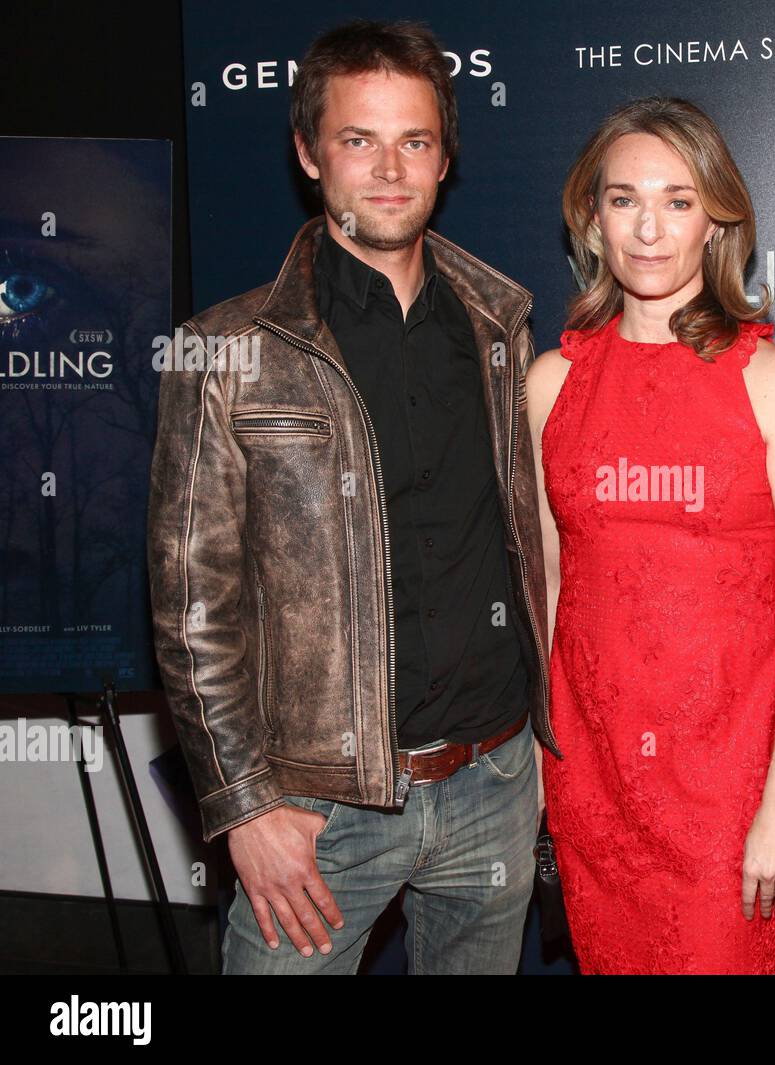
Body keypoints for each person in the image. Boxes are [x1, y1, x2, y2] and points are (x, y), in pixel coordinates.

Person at [147, 19, 552, 974]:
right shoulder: (227, 351)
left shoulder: (503, 326)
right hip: (318, 812)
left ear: (445, 157)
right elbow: (190, 605)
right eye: (356, 139)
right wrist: (244, 803)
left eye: (413, 140)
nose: (387, 169)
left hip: (495, 782)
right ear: (306, 152)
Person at [526, 96, 775, 975]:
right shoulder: (552, 383)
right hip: (590, 783)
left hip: (724, 792)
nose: (650, 228)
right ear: (593, 217)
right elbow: (547, 592)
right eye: (624, 199)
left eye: (677, 199)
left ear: (717, 217)